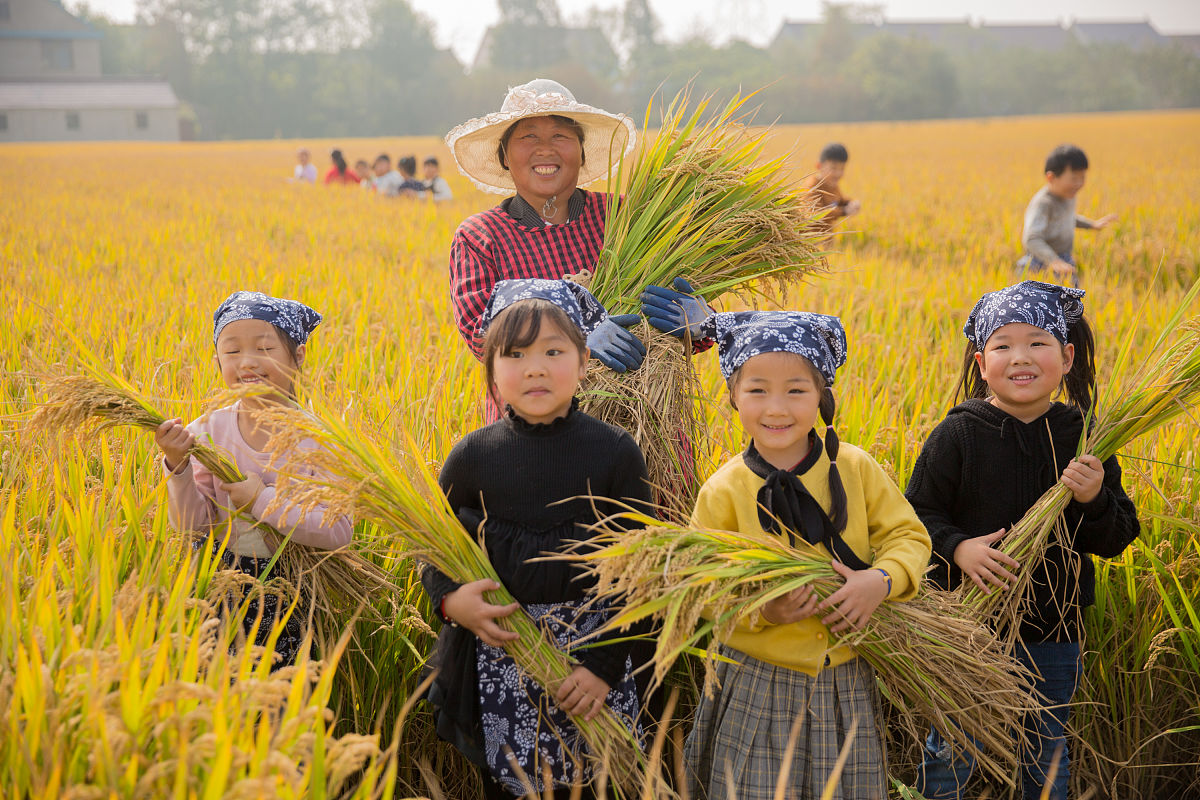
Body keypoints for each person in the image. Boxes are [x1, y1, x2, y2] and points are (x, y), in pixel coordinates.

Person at [419, 278, 652, 799]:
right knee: (512, 787)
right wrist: (452, 602)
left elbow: (643, 572)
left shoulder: (615, 454)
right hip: (503, 661)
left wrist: (602, 668)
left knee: (602, 783)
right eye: (515, 354)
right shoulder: (472, 458)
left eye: (553, 351)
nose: (535, 368)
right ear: (491, 369)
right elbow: (434, 551)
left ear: (585, 361)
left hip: (597, 660)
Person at [906, 281, 1140, 800]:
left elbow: (1117, 536)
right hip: (967, 628)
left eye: (1037, 342)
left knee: (1046, 750)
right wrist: (958, 547)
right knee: (952, 747)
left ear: (1067, 357)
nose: (1020, 357)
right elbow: (914, 513)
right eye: (1003, 345)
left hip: (1054, 632)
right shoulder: (958, 435)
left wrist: (1094, 497)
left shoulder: (1087, 438)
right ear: (981, 362)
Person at [685, 310, 931, 800]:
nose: (777, 408)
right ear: (732, 395)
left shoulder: (855, 467)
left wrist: (880, 581)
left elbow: (909, 537)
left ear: (822, 396)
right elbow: (700, 584)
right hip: (755, 680)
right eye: (757, 390)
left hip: (845, 680)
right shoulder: (724, 490)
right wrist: (762, 610)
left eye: (796, 390)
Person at [154, 291, 352, 666]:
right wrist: (177, 466)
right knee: (217, 684)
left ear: (298, 356)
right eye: (232, 351)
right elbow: (193, 527)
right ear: (217, 361)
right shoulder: (207, 432)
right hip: (219, 583)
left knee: (284, 685)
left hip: (291, 587)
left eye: (264, 349)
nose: (247, 362)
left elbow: (339, 531)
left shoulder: (320, 441)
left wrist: (262, 501)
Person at [445, 78, 650, 422]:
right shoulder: (480, 237)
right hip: (528, 426)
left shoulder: (625, 217)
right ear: (505, 156)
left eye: (560, 136)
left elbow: (678, 329)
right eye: (528, 137)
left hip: (642, 418)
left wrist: (694, 323)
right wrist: (575, 332)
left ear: (581, 152)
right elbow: (482, 334)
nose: (545, 149)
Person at [1017, 144, 1117, 286]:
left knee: (1072, 296)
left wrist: (1092, 225)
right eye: (1074, 179)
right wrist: (1053, 260)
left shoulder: (1068, 196)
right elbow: (1032, 239)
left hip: (1063, 258)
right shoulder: (1043, 204)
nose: (1079, 184)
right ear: (1051, 177)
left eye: (1082, 177)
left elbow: (1068, 217)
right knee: (1035, 298)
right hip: (1040, 260)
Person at [800, 143, 860, 237]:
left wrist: (850, 203)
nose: (838, 173)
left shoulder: (832, 185)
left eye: (842, 169)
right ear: (819, 166)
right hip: (811, 241)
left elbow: (839, 200)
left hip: (825, 239)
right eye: (833, 168)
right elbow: (815, 214)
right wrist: (843, 211)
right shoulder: (812, 187)